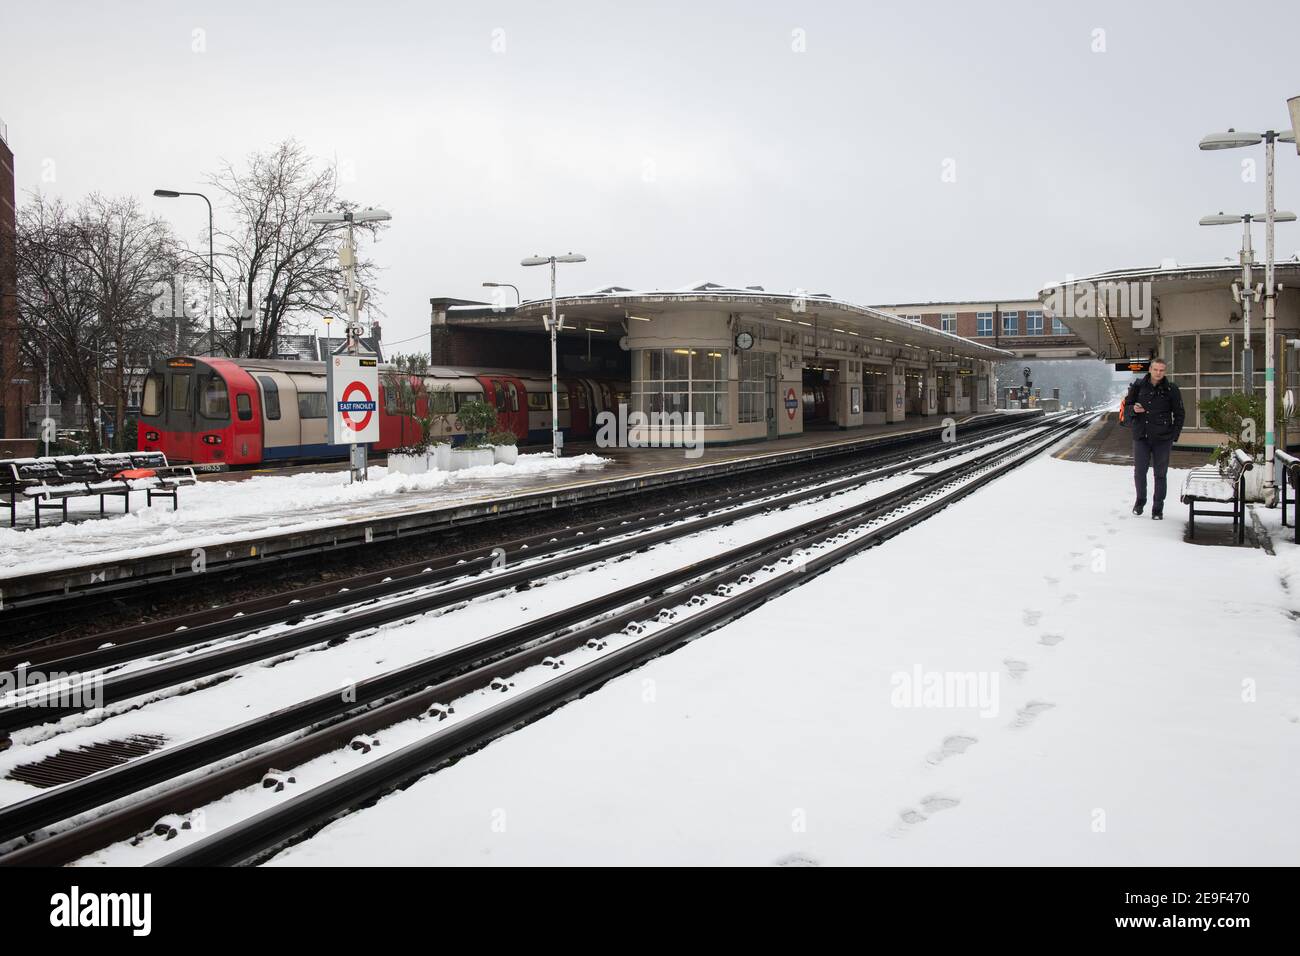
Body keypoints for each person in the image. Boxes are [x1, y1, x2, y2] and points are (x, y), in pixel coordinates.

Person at [1125, 357, 1184, 519]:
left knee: (1160, 474)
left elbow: (1179, 414)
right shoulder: (1138, 386)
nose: (1158, 373)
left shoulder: (1171, 389)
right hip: (1141, 436)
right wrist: (1133, 409)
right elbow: (1126, 406)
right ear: (1150, 369)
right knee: (1139, 472)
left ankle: (1158, 509)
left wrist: (1173, 435)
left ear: (1165, 372)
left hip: (1163, 439)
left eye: (1161, 370)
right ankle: (1140, 502)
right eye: (1155, 369)